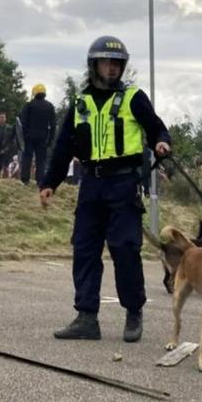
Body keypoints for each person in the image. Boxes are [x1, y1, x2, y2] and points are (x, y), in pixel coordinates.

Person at [39, 36, 171, 343]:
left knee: (125, 248)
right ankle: (87, 318)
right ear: (94, 65)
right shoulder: (80, 102)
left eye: (117, 64)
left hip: (124, 183)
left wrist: (162, 141)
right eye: (106, 62)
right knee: (84, 249)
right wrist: (49, 183)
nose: (112, 68)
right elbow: (62, 147)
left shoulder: (134, 97)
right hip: (91, 184)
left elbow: (156, 127)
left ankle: (133, 312)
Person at [19, 83, 56, 185]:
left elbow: (23, 122)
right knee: (41, 160)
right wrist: (50, 139)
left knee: (27, 157)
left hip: (29, 136)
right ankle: (40, 180)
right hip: (43, 137)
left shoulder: (29, 105)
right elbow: (53, 124)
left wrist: (24, 135)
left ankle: (25, 179)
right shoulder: (49, 106)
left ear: (34, 93)